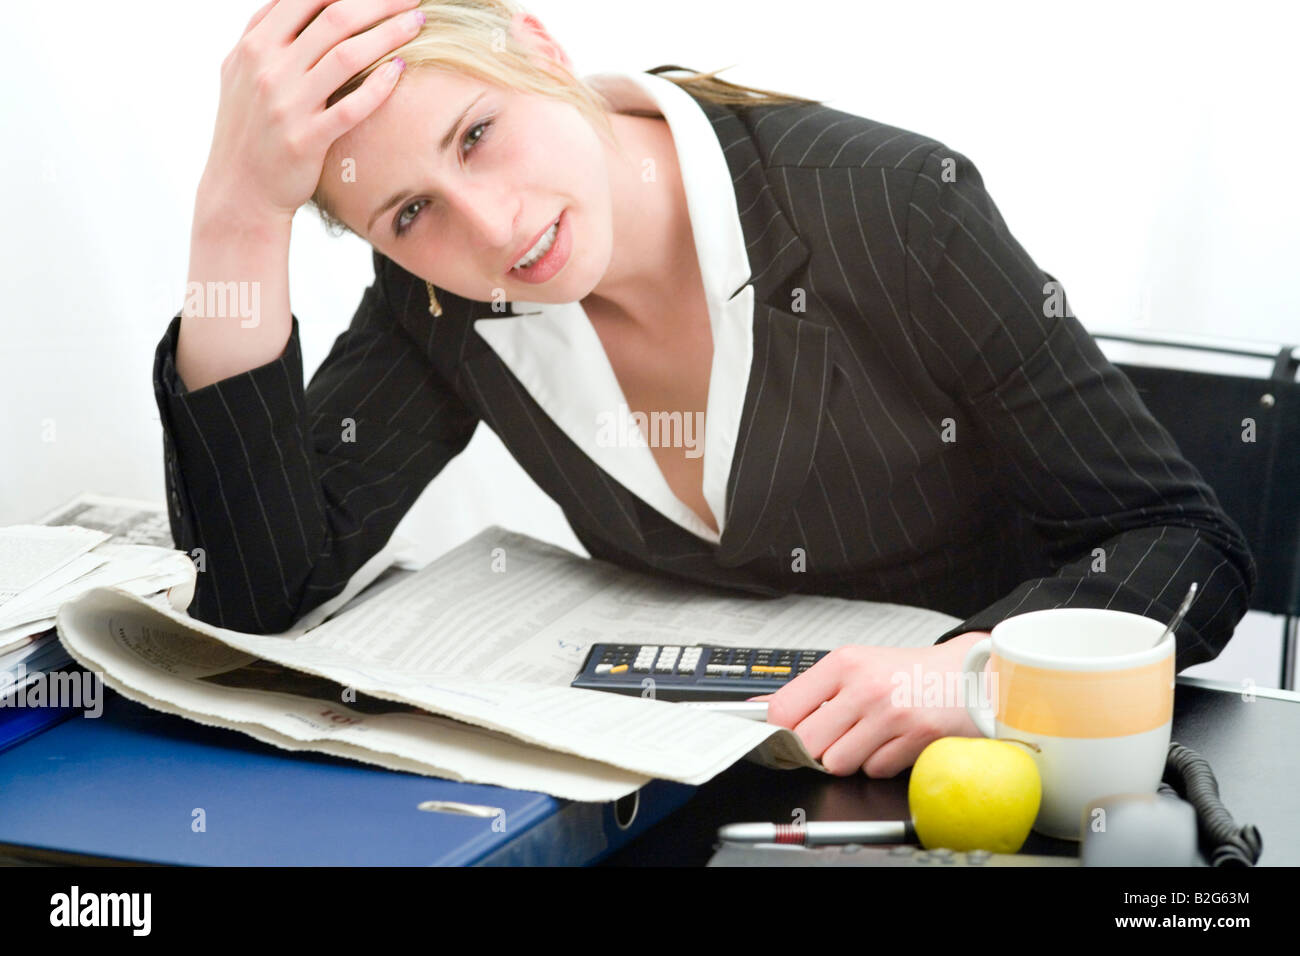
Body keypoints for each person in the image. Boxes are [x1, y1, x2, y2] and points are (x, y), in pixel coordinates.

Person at [156, 0, 1255, 778]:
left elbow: (1180, 538)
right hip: (696, 795)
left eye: (477, 135)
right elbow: (259, 588)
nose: (487, 226)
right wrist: (237, 214)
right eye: (406, 212)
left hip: (977, 792)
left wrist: (972, 671)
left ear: (539, 46)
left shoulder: (891, 205)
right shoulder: (436, 297)